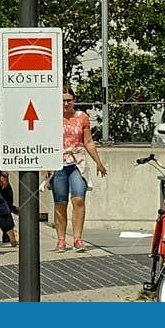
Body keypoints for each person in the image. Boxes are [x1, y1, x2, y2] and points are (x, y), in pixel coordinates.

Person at [45, 88, 107, 251]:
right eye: (63, 101)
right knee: (60, 203)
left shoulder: (82, 117)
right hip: (58, 162)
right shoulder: (53, 117)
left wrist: (98, 162)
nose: (66, 104)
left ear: (74, 100)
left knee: (78, 199)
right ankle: (61, 239)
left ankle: (78, 238)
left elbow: (88, 141)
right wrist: (45, 165)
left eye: (69, 100)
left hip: (77, 161)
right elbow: (46, 142)